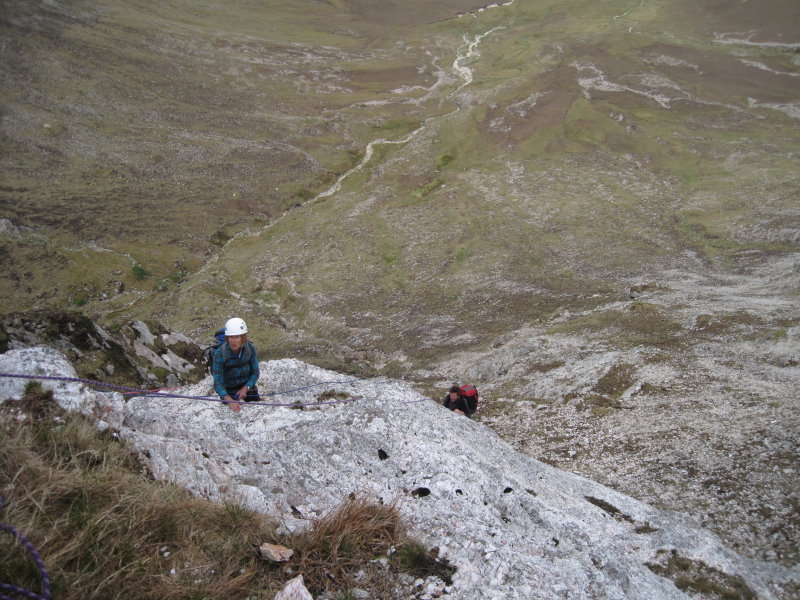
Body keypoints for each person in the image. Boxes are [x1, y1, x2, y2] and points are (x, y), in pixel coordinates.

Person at [211, 317, 260, 412]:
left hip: (248, 388)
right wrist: (228, 399)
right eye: (231, 337)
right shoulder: (220, 353)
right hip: (229, 391)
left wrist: (246, 388)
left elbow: (255, 373)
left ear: (243, 337)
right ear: (227, 338)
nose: (234, 341)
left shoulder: (250, 348)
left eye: (237, 337)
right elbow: (218, 382)